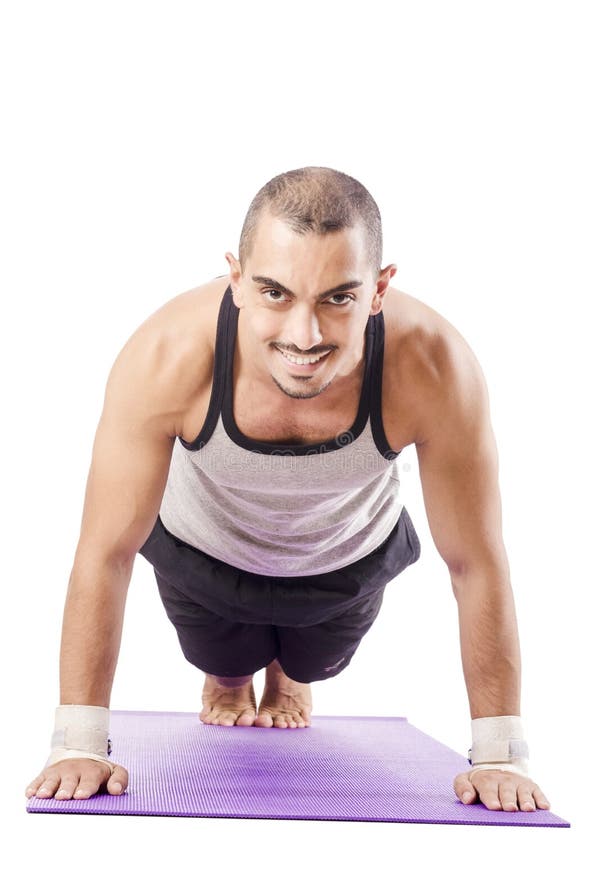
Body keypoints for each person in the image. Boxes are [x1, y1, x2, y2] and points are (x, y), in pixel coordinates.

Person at [25, 166, 550, 814]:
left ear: (380, 290)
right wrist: (76, 742)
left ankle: (290, 678)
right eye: (275, 293)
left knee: (315, 665)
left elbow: (477, 561)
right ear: (236, 279)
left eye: (337, 298)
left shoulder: (434, 366)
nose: (305, 336)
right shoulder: (167, 354)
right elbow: (103, 550)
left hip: (343, 561)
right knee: (220, 655)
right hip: (204, 553)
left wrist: (502, 755)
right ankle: (230, 676)